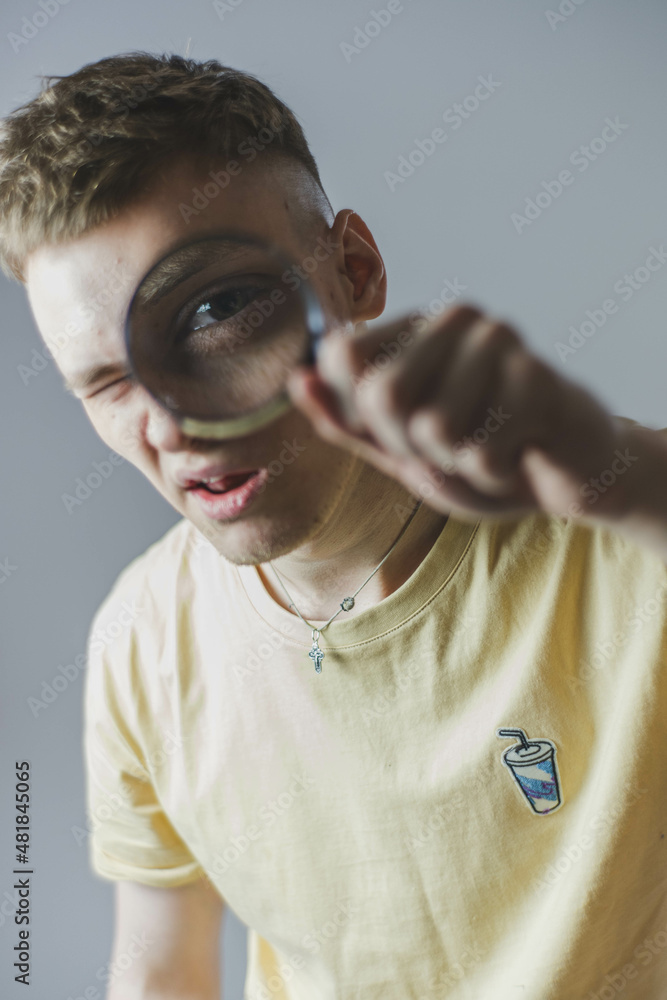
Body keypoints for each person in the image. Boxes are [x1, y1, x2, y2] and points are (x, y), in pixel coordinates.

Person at [2, 51, 667, 1000]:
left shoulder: (627, 526)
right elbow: (160, 973)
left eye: (213, 312)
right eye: (109, 382)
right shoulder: (140, 642)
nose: (173, 420)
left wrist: (616, 473)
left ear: (351, 271)